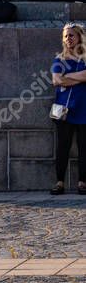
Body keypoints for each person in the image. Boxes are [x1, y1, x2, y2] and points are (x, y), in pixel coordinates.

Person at [50, 23, 86, 196]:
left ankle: (82, 182)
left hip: (84, 109)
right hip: (64, 110)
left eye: (71, 35)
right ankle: (59, 182)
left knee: (84, 147)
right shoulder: (59, 59)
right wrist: (80, 79)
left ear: (79, 37)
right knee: (62, 147)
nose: (68, 39)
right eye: (65, 36)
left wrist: (67, 77)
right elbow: (56, 80)